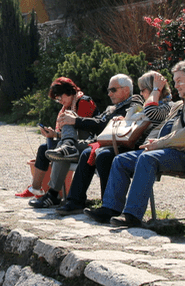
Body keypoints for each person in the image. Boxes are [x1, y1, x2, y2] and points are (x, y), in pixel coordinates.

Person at [87, 60, 185, 228]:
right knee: (121, 160)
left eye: (179, 81)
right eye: (175, 81)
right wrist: (148, 142)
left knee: (148, 158)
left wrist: (159, 143)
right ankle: (110, 209)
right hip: (168, 150)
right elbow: (160, 126)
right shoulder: (180, 104)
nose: (175, 85)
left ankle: (132, 215)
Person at [52, 73, 152, 214]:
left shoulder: (134, 104)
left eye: (113, 90)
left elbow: (102, 124)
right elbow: (100, 122)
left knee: (100, 155)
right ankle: (75, 201)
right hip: (102, 143)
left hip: (122, 144)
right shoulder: (113, 107)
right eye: (108, 90)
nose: (109, 94)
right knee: (84, 151)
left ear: (126, 90)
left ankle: (108, 206)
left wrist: (76, 121)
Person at [24, 78, 97, 207]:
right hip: (73, 143)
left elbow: (82, 128)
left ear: (68, 92)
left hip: (87, 142)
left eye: (60, 97)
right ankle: (37, 189)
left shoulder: (84, 102)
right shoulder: (67, 107)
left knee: (61, 149)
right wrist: (54, 134)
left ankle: (52, 194)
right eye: (57, 99)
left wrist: (57, 135)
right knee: (44, 148)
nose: (59, 101)